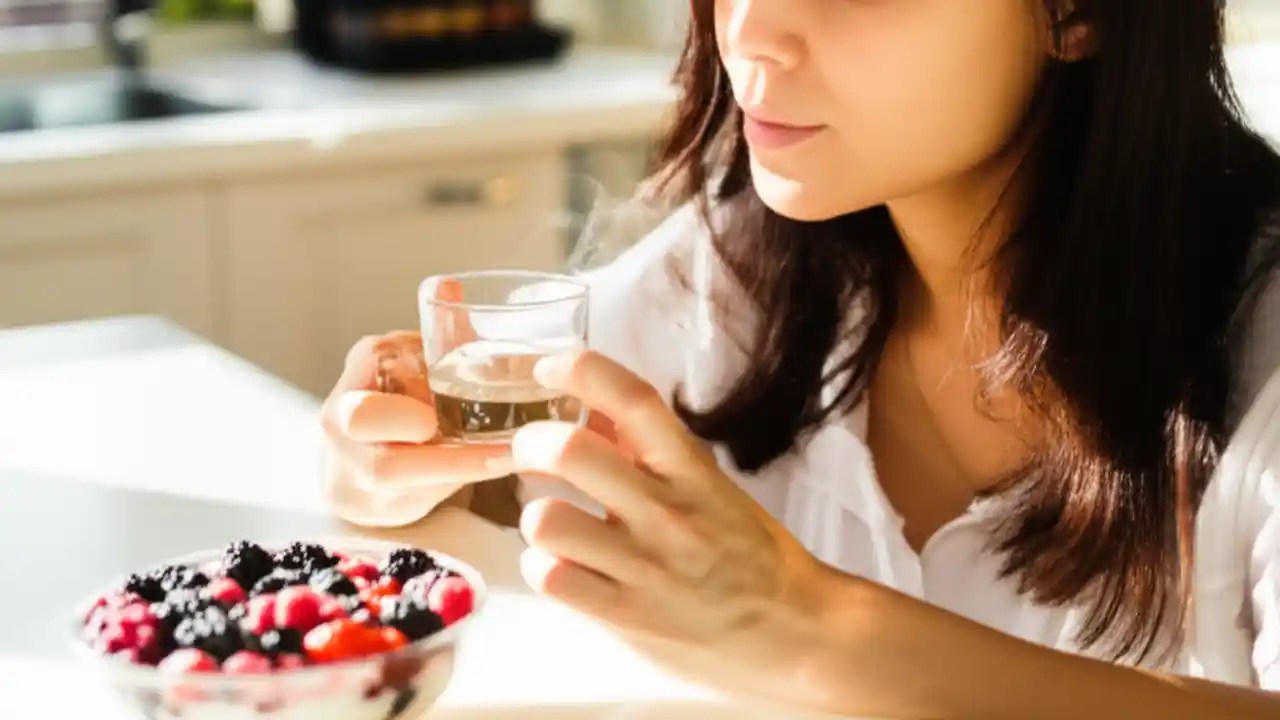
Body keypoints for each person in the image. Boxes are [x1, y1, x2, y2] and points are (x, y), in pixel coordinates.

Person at [322, 1, 1280, 717]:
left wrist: (809, 628)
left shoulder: (1260, 352)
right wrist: (396, 474)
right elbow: (493, 481)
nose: (753, 31)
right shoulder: (732, 277)